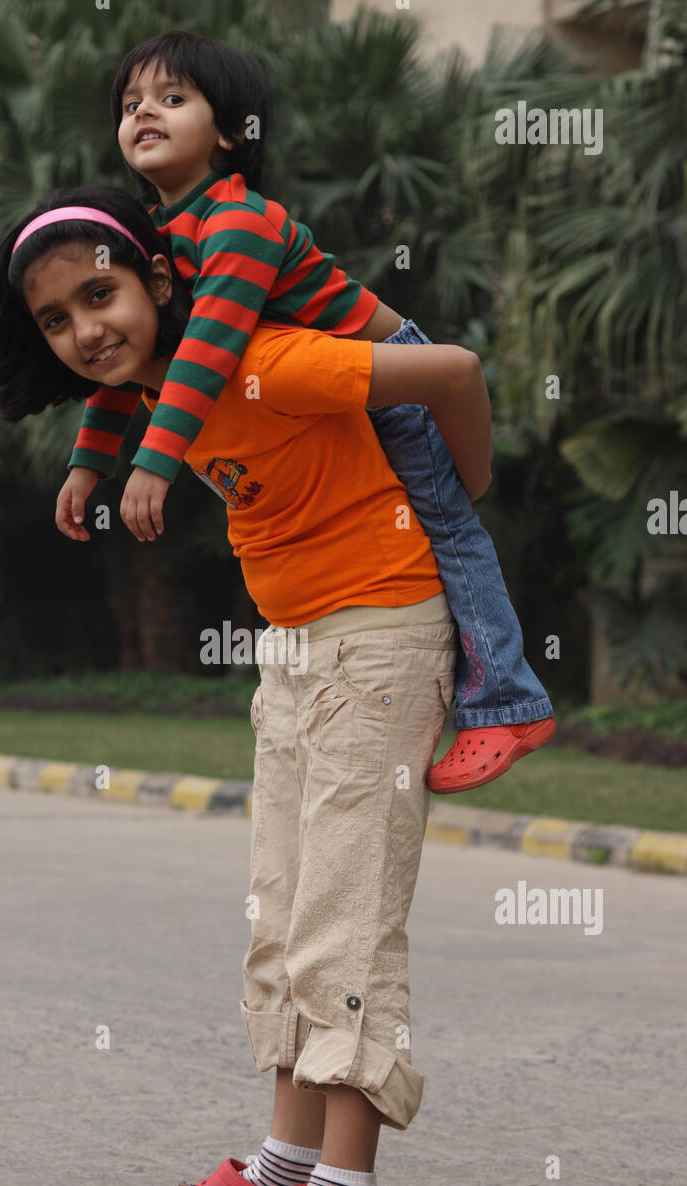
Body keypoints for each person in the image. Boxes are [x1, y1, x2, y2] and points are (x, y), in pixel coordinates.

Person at [0, 185, 490, 1186]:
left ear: (161, 280)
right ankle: (282, 1163)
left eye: (100, 294)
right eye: (57, 321)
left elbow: (450, 369)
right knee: (285, 906)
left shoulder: (269, 359)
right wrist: (91, 463)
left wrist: (462, 492)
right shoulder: (169, 387)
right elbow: (124, 410)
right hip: (297, 647)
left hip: (384, 635)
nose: (84, 332)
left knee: (344, 918)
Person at [60, 29, 556, 792]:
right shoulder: (155, 237)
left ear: (227, 131)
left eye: (171, 98)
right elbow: (127, 359)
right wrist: (90, 460)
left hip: (391, 381)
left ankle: (508, 704)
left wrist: (152, 463)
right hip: (328, 394)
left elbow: (209, 351)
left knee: (450, 528)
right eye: (130, 104)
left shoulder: (239, 222)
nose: (143, 113)